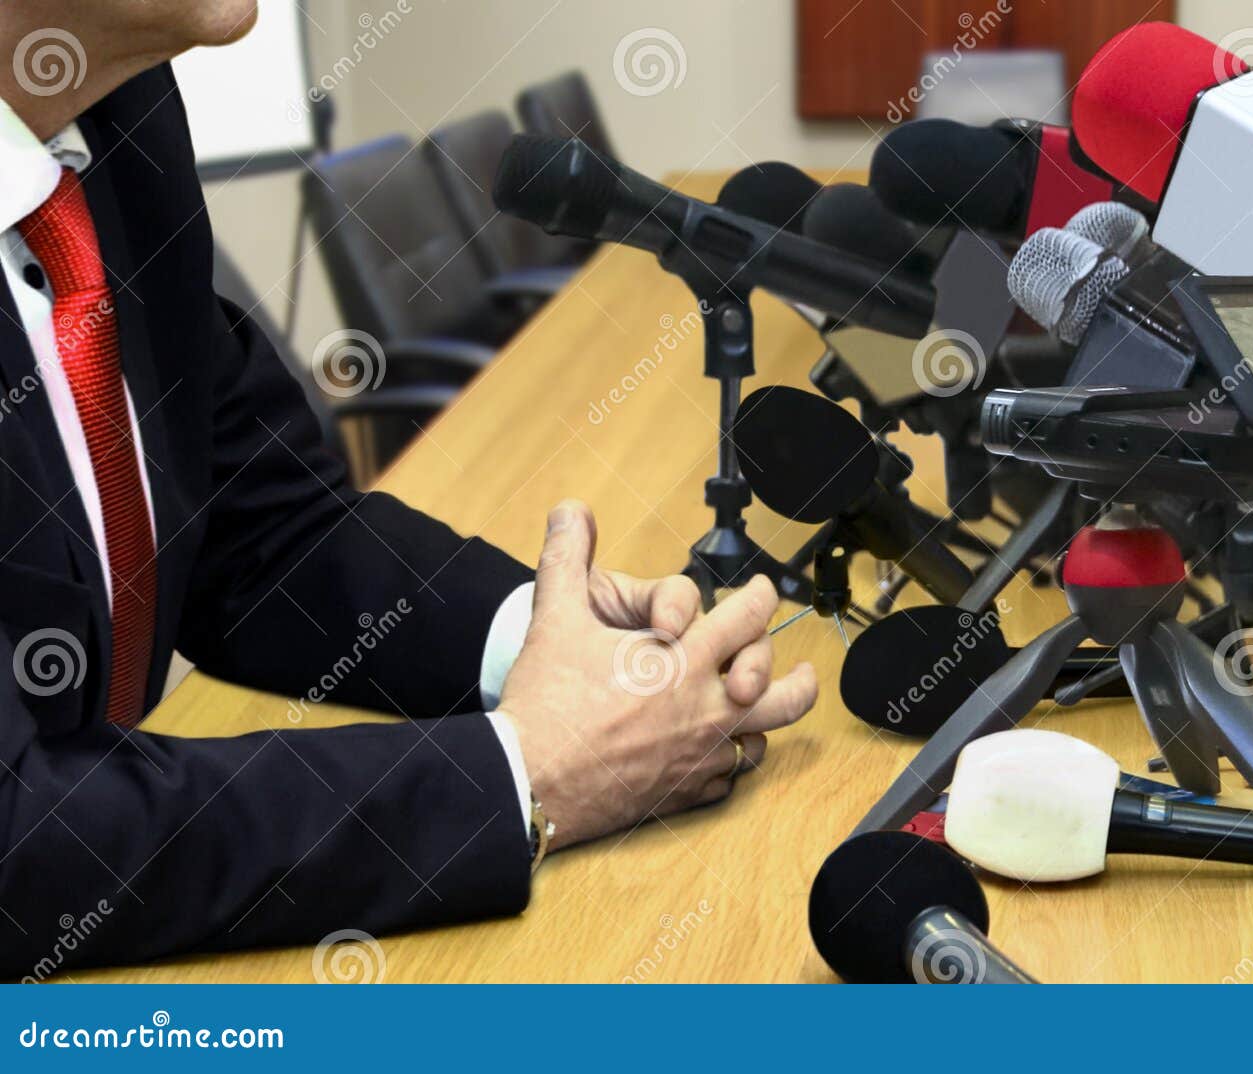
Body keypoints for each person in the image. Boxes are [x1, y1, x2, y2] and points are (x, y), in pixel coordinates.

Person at [0, 0, 816, 977]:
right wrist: (527, 771)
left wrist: (547, 642)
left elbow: (262, 530)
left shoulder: (120, 120)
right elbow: (23, 840)